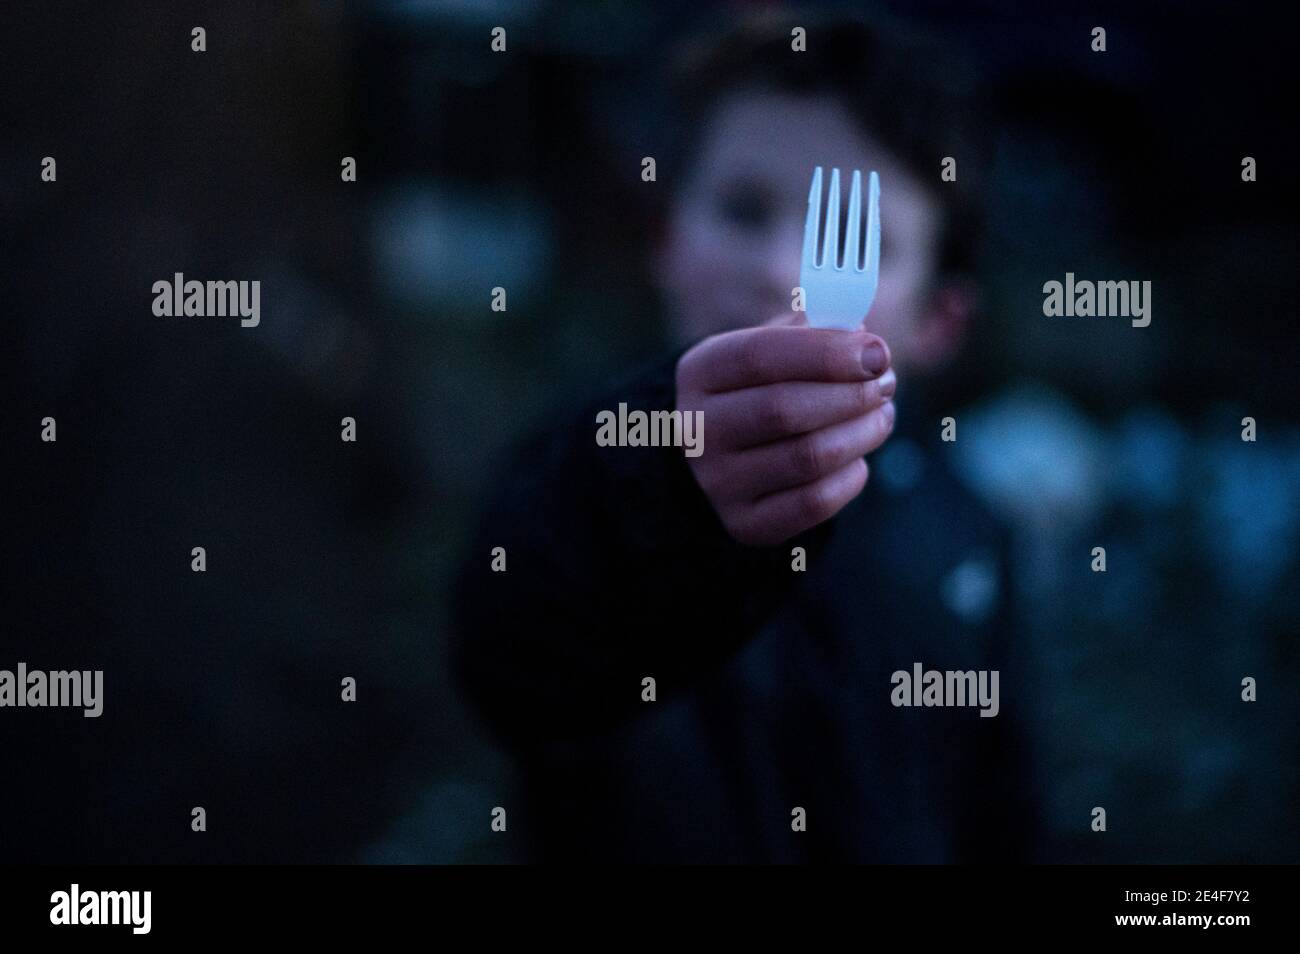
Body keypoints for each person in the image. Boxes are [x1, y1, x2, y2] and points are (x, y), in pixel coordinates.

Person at [453, 9, 1042, 862]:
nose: (780, 273)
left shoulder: (969, 543)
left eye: (854, 237)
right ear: (664, 240)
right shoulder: (582, 473)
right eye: (741, 209)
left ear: (939, 322)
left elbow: (1006, 817)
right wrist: (670, 484)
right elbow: (510, 655)